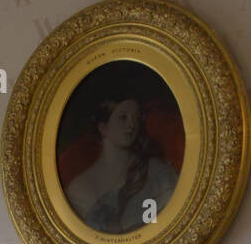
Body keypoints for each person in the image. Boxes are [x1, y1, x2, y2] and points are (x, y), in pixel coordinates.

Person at [60, 95, 178, 234]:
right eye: (123, 117)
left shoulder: (157, 172)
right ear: (103, 127)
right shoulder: (78, 188)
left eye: (137, 118)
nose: (132, 125)